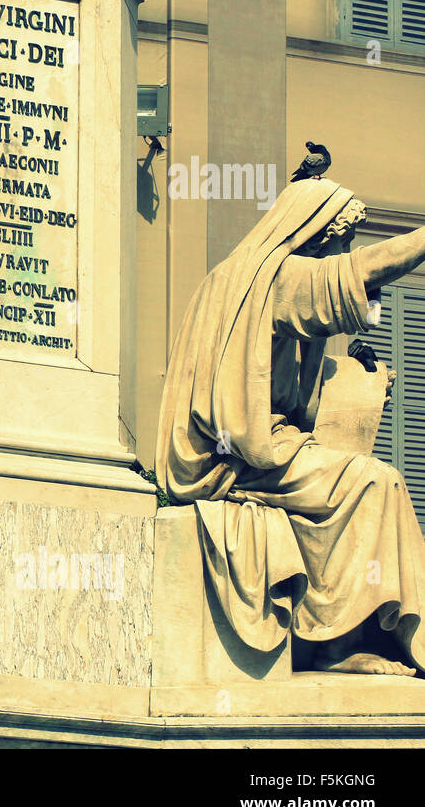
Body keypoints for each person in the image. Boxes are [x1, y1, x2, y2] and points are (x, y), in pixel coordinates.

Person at [158, 177, 425, 675]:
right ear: (317, 235)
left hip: (235, 447)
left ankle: (346, 636)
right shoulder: (272, 278)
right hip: (236, 458)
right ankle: (338, 644)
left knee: (355, 482)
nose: (345, 252)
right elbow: (361, 270)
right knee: (375, 483)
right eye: (343, 241)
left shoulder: (237, 279)